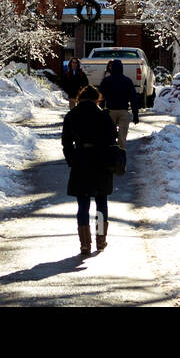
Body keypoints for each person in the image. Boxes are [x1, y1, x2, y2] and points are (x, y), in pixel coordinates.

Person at [61, 85, 117, 255]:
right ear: (96, 99)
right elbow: (112, 139)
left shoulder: (71, 116)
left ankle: (85, 244)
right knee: (101, 203)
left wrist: (72, 160)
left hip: (81, 162)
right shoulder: (103, 115)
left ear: (80, 98)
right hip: (101, 163)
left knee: (83, 205)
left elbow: (66, 142)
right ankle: (101, 240)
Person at [98, 59, 139, 149]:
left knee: (109, 137)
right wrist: (135, 115)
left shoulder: (106, 81)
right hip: (123, 111)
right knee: (122, 137)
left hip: (110, 111)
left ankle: (110, 156)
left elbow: (100, 96)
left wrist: (101, 108)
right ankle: (121, 156)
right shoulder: (127, 81)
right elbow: (133, 99)